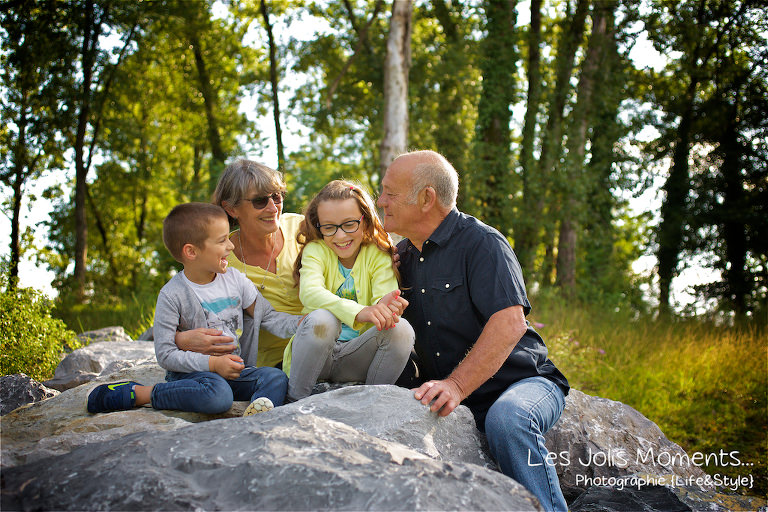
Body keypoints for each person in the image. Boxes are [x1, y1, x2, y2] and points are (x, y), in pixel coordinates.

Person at [378, 150, 570, 512]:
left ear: (426, 199)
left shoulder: (482, 243)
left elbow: (510, 324)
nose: (381, 202)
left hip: (521, 383)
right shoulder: (400, 257)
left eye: (390, 193)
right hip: (454, 398)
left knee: (508, 420)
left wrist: (456, 385)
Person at [87, 203, 301, 416]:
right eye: (222, 240)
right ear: (191, 251)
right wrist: (213, 364)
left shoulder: (236, 280)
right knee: (218, 396)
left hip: (233, 371)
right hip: (193, 375)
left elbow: (267, 316)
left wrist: (302, 324)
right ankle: (141, 394)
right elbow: (165, 354)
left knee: (275, 377)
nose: (231, 246)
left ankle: (259, 412)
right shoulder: (172, 295)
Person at [283, 180, 414, 401]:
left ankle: (371, 405)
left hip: (357, 355)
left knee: (401, 329)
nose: (340, 236)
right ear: (318, 226)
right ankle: (294, 402)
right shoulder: (316, 250)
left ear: (365, 221)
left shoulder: (377, 255)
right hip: (315, 356)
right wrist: (360, 312)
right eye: (329, 227)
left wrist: (386, 308)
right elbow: (310, 293)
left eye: (349, 224)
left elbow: (382, 303)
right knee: (323, 319)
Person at [174, 159, 304, 369]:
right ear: (232, 209)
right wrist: (179, 339)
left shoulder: (301, 228)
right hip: (272, 365)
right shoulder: (220, 260)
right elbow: (180, 306)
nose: (273, 208)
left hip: (328, 341)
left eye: (276, 196)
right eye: (260, 201)